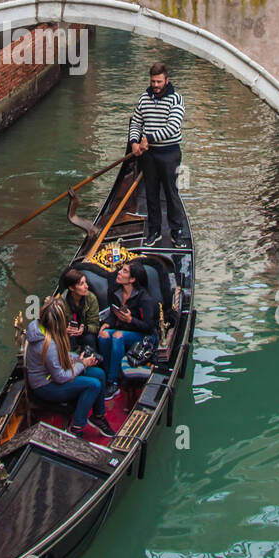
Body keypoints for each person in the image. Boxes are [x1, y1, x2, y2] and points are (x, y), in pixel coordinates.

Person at [25, 297, 115, 438]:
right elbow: (60, 377)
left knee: (98, 373)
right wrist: (82, 364)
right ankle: (76, 429)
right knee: (93, 385)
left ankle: (98, 416)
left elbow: (61, 356)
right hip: (46, 386)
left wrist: (77, 358)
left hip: (55, 375)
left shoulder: (44, 330)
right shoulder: (48, 345)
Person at [128, 61, 185, 246]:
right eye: (153, 81)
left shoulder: (176, 99)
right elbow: (136, 122)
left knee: (171, 193)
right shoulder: (144, 98)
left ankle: (176, 232)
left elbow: (173, 127)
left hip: (170, 154)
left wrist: (148, 139)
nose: (156, 85)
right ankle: (154, 231)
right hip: (149, 155)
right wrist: (135, 142)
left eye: (159, 82)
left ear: (166, 80)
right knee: (151, 193)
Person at [97, 259, 157, 399]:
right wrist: (107, 324)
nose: (119, 272)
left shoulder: (144, 299)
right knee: (104, 335)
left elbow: (149, 327)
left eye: (124, 271)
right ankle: (109, 374)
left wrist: (131, 320)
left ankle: (114, 382)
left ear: (132, 279)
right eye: (121, 269)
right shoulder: (114, 292)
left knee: (118, 336)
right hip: (123, 332)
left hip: (145, 336)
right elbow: (113, 314)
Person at [60, 268, 102, 360]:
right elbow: (56, 326)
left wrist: (84, 329)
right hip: (68, 334)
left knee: (89, 339)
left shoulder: (91, 298)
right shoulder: (61, 303)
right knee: (68, 339)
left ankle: (94, 361)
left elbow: (95, 325)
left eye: (86, 283)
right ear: (71, 288)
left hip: (86, 333)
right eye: (82, 284)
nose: (86, 286)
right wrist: (65, 330)